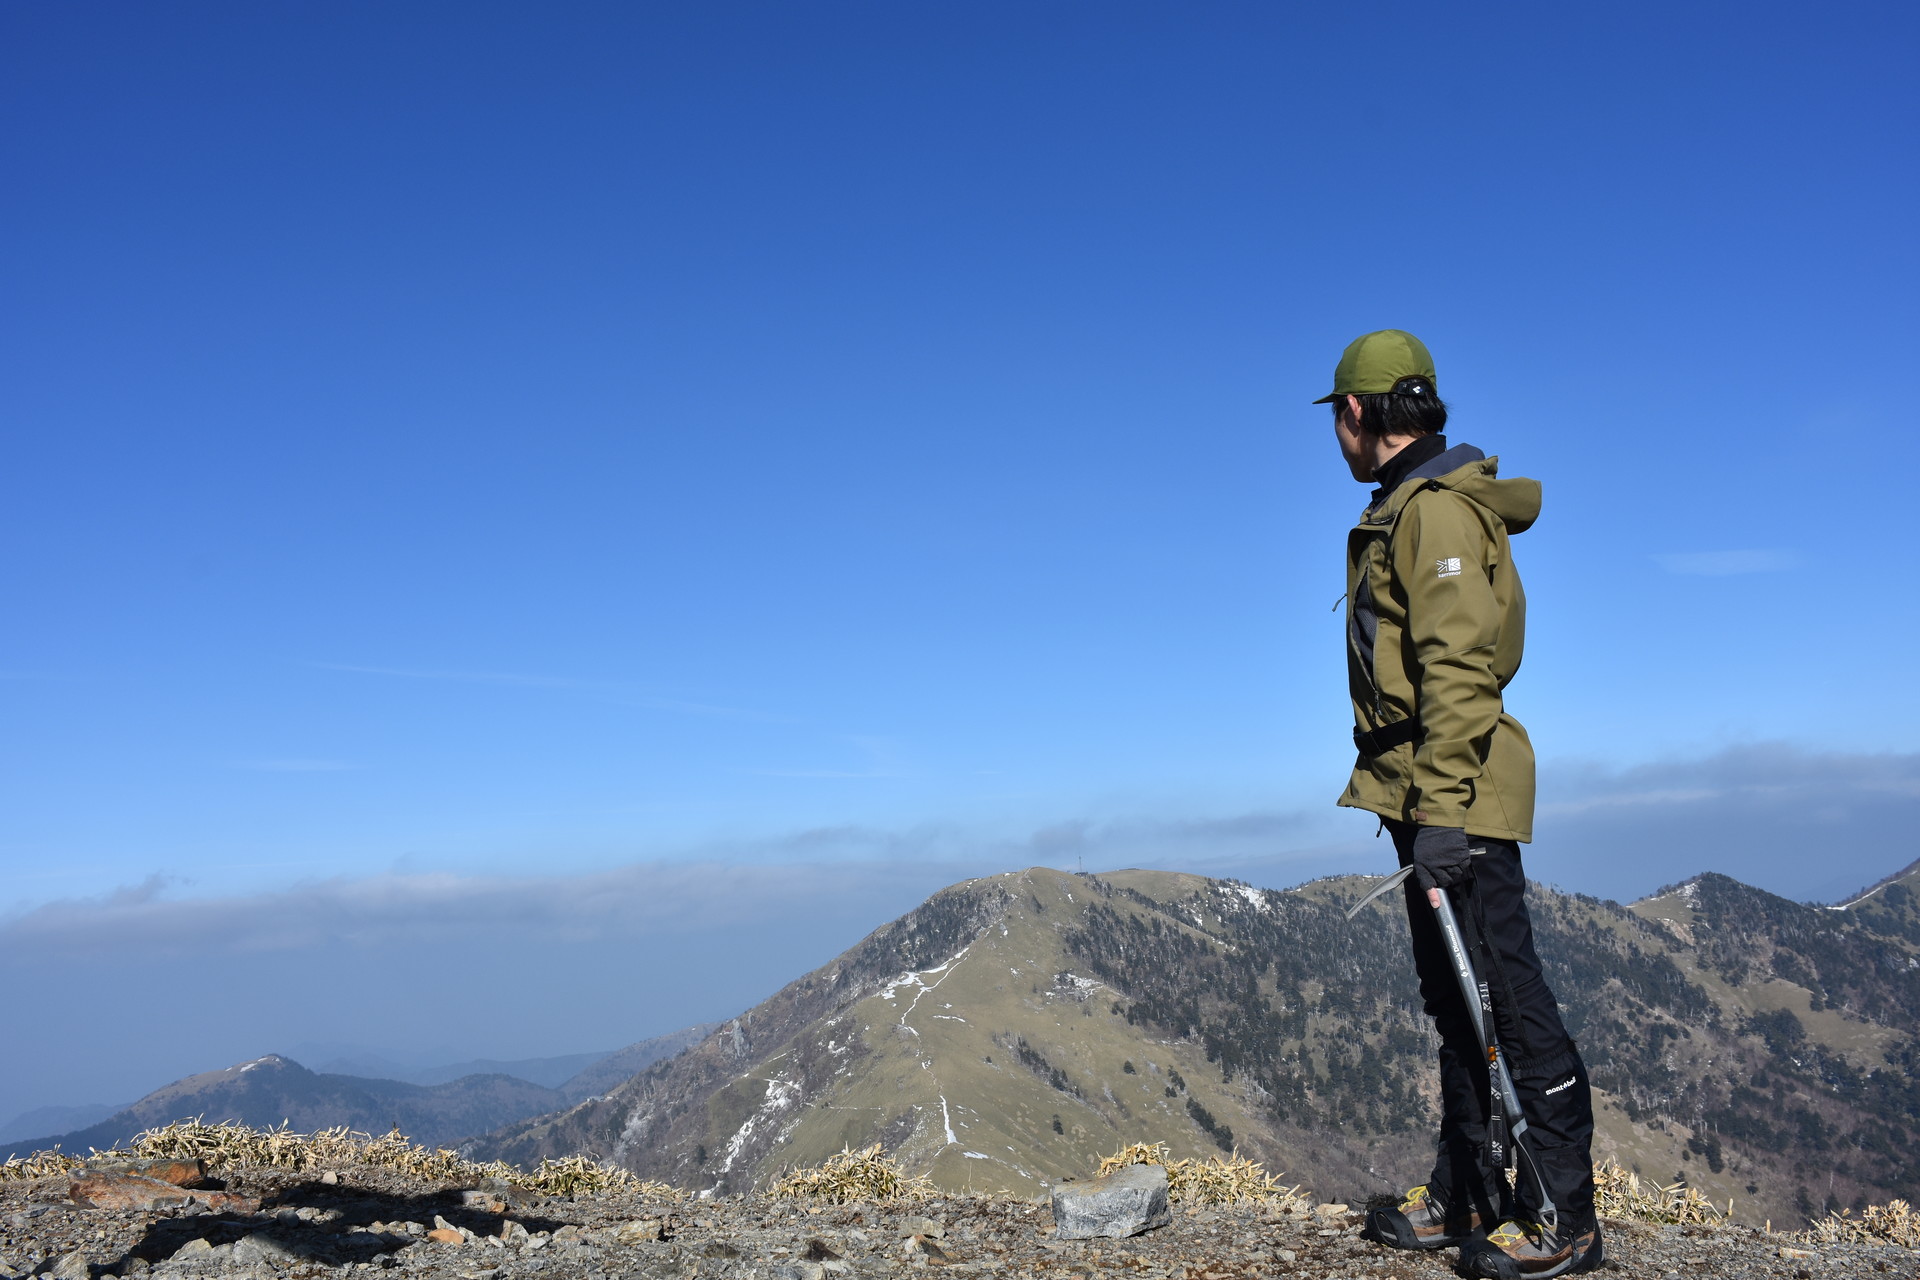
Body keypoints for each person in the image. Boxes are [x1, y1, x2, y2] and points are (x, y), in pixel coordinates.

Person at [1318, 330, 1601, 1278]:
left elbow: (1458, 670)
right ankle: (1471, 1189)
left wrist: (1439, 810)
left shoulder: (1433, 514)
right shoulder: (1410, 506)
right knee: (1458, 1001)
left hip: (1460, 793)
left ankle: (1564, 1214)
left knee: (1506, 998)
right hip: (1431, 790)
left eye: (1338, 421)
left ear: (1356, 414)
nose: (1339, 438)